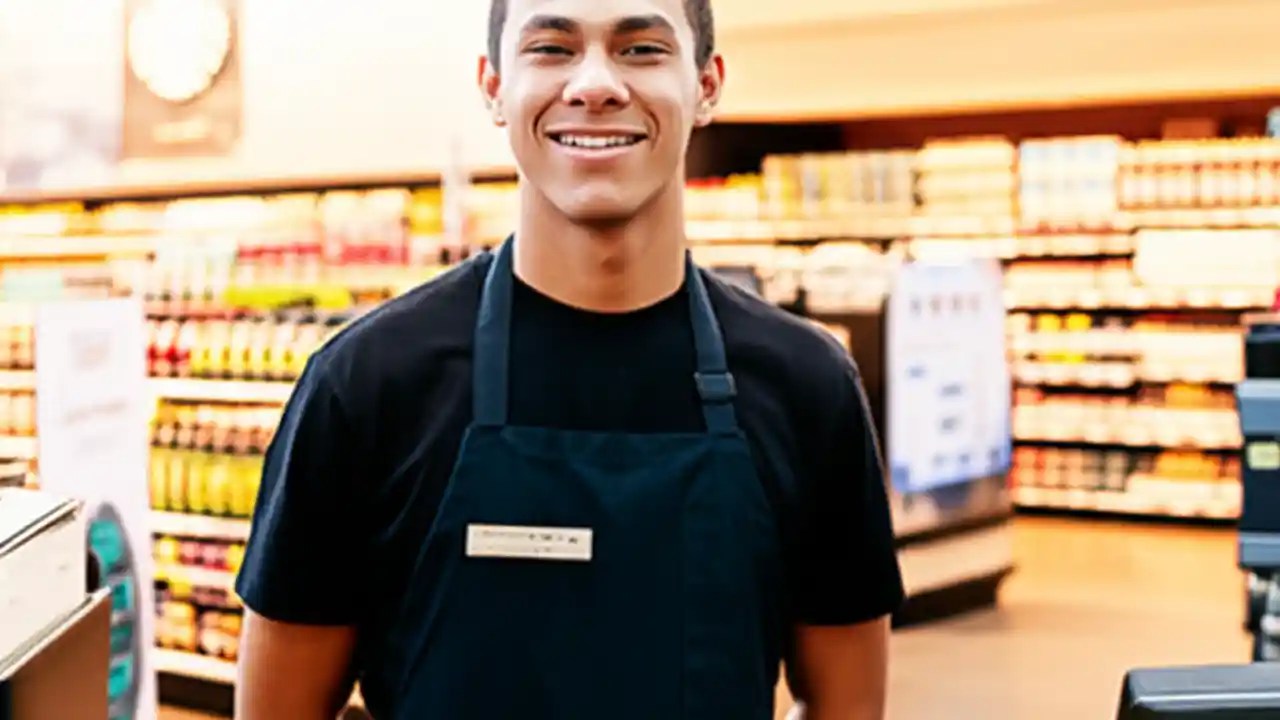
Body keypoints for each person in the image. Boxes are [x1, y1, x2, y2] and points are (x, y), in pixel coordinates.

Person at [232, 0, 904, 717]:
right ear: (493, 87)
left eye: (641, 49)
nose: (594, 84)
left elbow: (848, 705)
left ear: (707, 84)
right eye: (552, 48)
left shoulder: (808, 387)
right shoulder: (366, 385)